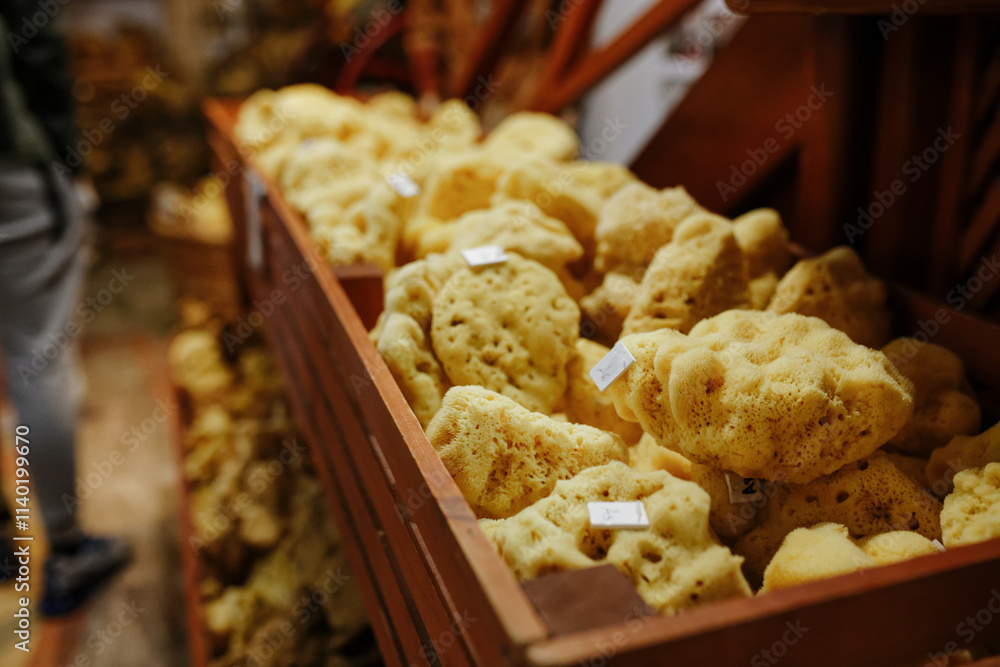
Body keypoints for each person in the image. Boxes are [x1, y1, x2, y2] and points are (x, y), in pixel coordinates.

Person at [0, 0, 131, 616]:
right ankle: (70, 552)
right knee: (39, 358)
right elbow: (39, 49)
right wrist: (69, 165)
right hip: (8, 165)